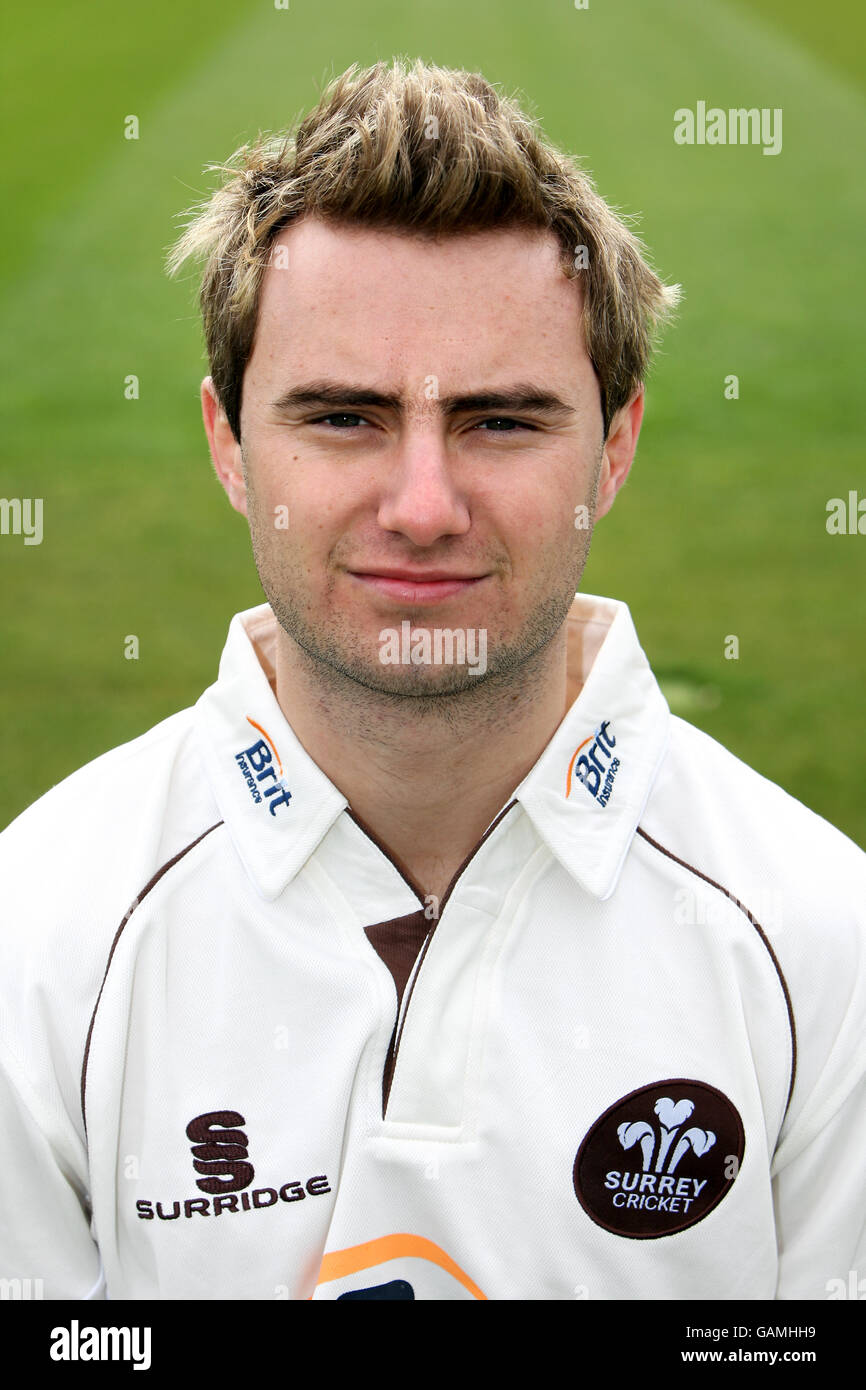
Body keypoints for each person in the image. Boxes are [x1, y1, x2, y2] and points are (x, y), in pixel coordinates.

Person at [0, 58, 863, 1303]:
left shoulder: (816, 939)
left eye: (500, 422)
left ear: (611, 449)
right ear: (227, 446)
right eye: (343, 418)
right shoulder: (38, 940)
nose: (421, 507)